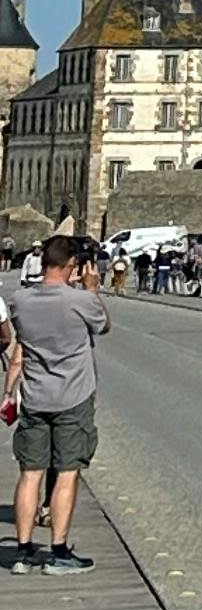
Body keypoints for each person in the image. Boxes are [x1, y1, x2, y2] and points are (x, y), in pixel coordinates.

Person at [6, 237, 109, 572]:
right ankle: (59, 552)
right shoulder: (79, 299)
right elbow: (103, 325)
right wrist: (91, 289)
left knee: (30, 473)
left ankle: (22, 552)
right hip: (72, 396)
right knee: (66, 472)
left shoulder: (21, 300)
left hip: (35, 396)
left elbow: (20, 338)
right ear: (71, 267)